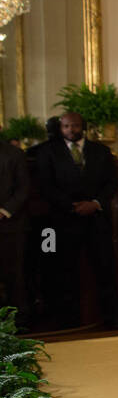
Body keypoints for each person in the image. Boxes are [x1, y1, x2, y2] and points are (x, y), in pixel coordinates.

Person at [33, 111, 118, 329]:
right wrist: (70, 206)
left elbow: (112, 184)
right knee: (63, 272)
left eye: (75, 126)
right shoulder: (48, 152)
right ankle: (67, 322)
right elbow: (45, 185)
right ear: (60, 128)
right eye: (66, 127)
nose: (71, 130)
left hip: (97, 220)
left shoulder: (101, 151)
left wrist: (95, 203)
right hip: (62, 221)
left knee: (105, 269)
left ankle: (111, 319)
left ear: (83, 126)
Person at [0, 136, 30, 329]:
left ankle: (17, 323)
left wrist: (4, 211)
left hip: (10, 225)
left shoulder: (14, 154)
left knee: (14, 275)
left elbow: (24, 188)